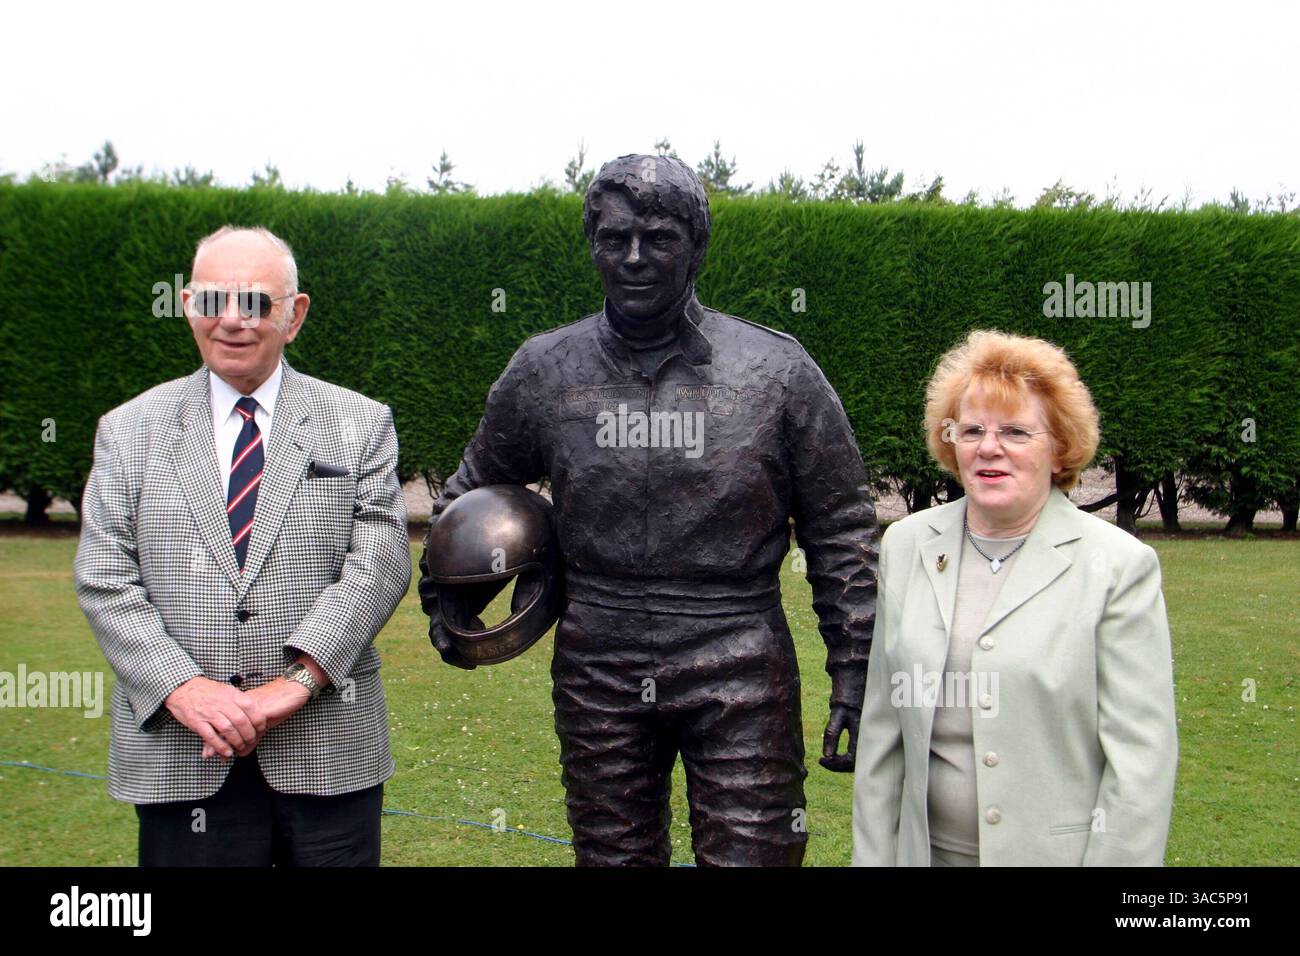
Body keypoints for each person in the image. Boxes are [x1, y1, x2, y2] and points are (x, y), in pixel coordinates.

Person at [418, 155, 879, 866]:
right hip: (599, 661)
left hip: (741, 662)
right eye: (614, 238)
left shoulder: (778, 372)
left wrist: (856, 666)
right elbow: (471, 491)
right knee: (612, 858)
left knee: (756, 856)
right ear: (593, 245)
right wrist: (448, 605)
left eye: (659, 238)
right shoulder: (543, 370)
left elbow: (842, 526)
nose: (634, 258)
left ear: (695, 246)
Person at [74, 226, 411, 866]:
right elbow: (105, 579)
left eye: (255, 302)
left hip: (325, 746)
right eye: (210, 301)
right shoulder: (128, 430)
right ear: (187, 307)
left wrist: (297, 681)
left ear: (295, 315)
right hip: (182, 752)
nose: (231, 321)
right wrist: (182, 688)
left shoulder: (360, 422)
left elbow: (379, 564)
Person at [852, 329, 1178, 866]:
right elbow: (883, 735)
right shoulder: (906, 544)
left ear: (1060, 449)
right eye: (972, 429)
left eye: (1015, 432)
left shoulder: (1119, 566)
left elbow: (1141, 764)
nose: (988, 447)